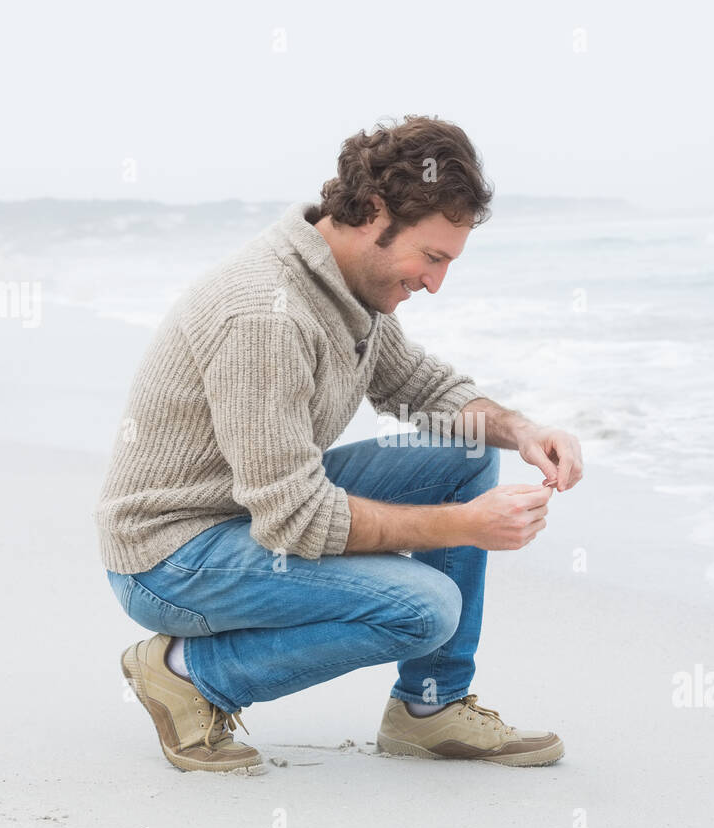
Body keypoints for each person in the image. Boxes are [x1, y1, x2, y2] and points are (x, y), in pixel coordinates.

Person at [96, 115, 584, 774]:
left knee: (467, 452)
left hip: (247, 511)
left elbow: (415, 384)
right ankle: (187, 673)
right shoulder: (266, 315)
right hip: (172, 556)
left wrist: (523, 429)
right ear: (375, 213)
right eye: (432, 257)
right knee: (425, 609)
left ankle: (428, 706)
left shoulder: (347, 285)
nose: (436, 283)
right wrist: (465, 525)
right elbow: (296, 517)